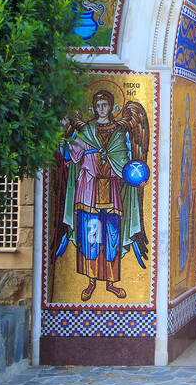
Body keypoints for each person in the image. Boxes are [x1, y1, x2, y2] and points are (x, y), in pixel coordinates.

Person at [60, 90, 148, 302]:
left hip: (112, 189)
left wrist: (137, 177)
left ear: (111, 107)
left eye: (105, 105)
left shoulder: (118, 132)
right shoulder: (87, 130)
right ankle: (91, 282)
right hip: (88, 190)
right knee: (91, 236)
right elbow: (71, 155)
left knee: (111, 236)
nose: (101, 109)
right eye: (98, 105)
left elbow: (125, 162)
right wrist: (60, 136)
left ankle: (110, 282)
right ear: (94, 107)